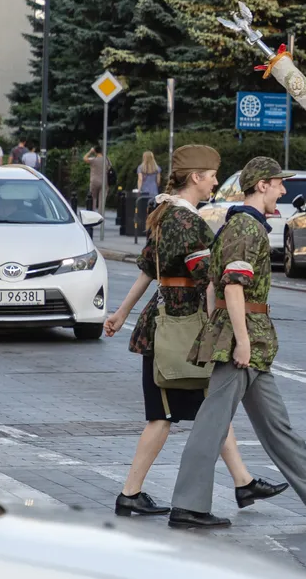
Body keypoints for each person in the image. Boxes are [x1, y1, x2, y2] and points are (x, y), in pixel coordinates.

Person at [170, 156, 306, 529]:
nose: (283, 190)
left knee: (276, 424)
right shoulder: (246, 228)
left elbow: (213, 286)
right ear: (261, 186)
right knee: (211, 425)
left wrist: (223, 326)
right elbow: (230, 286)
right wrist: (238, 339)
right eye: (278, 183)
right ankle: (188, 505)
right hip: (244, 340)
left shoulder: (242, 225)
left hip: (251, 339)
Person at [103, 145, 284, 519]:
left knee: (210, 406)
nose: (217, 181)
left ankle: (243, 482)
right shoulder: (188, 222)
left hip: (168, 322)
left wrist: (122, 313)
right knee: (163, 417)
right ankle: (130, 493)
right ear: (196, 177)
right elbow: (209, 278)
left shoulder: (166, 213)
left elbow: (149, 270)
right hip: (178, 329)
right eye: (213, 175)